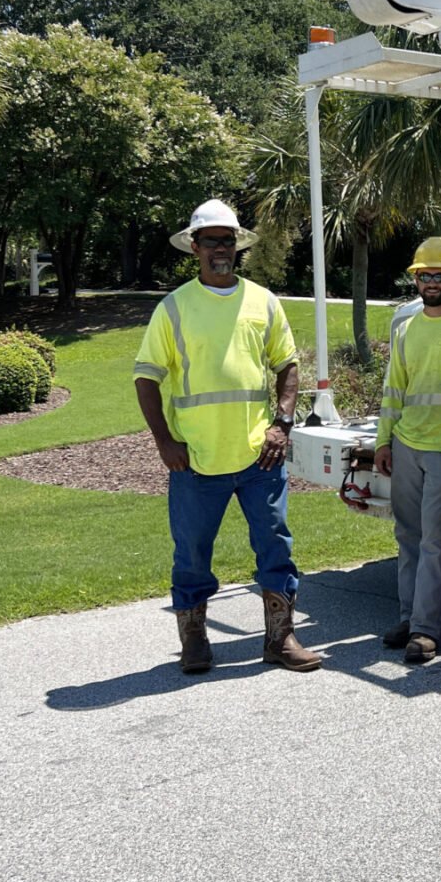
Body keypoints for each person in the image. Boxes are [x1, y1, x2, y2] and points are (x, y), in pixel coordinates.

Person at [133, 199, 321, 676]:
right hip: (196, 459)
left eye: (228, 240)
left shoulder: (263, 301)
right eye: (211, 240)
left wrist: (282, 423)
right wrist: (163, 442)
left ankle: (281, 638)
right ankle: (193, 638)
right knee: (192, 552)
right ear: (194, 247)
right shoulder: (174, 308)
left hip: (260, 455)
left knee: (275, 546)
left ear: (238, 247)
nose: (221, 248)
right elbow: (146, 378)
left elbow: (288, 365)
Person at [374, 238, 441, 666]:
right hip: (407, 443)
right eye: (425, 275)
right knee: (408, 536)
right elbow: (393, 388)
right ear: (415, 279)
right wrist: (384, 439)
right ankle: (408, 617)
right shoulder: (406, 328)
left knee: (436, 538)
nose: (432, 281)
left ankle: (425, 630)